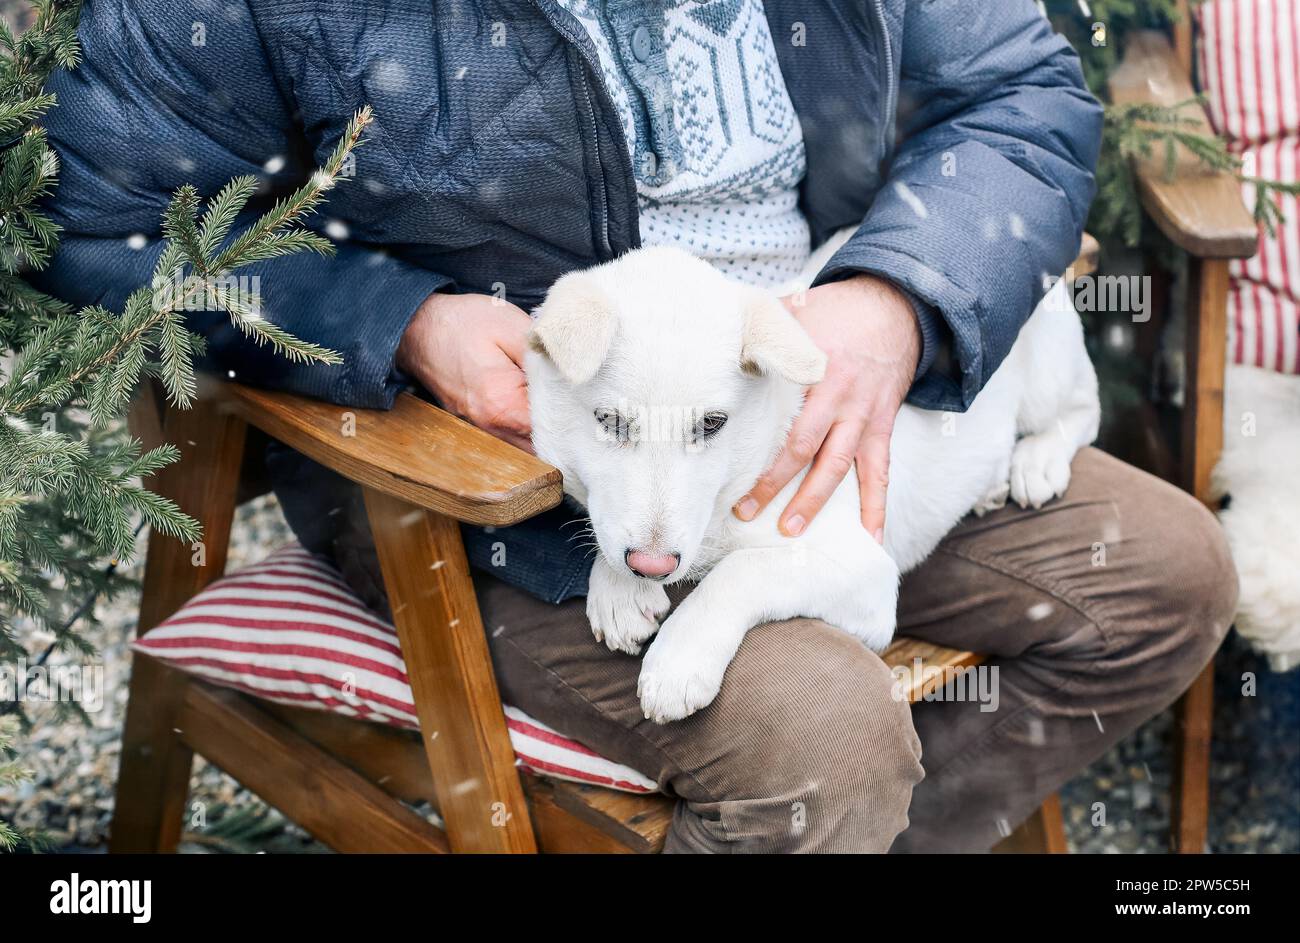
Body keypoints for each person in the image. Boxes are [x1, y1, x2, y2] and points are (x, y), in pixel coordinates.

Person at [37, 0, 1237, 852]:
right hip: (506, 489)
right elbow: (113, 233)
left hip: (820, 407)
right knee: (821, 743)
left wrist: (900, 294)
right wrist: (396, 321)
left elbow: (1015, 97)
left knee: (1165, 578)